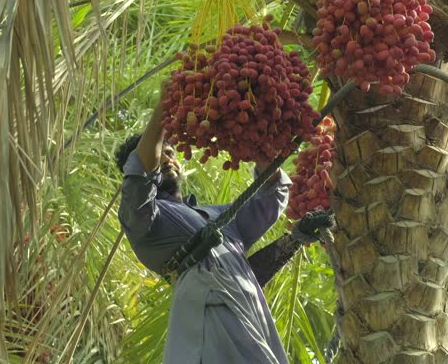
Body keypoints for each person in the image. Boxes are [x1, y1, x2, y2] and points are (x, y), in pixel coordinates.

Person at [115, 94, 331, 363]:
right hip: (210, 323)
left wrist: (257, 137)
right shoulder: (143, 221)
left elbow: (271, 195)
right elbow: (141, 173)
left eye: (172, 153)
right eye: (161, 154)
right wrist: (167, 102)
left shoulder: (217, 215)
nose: (168, 159)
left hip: (253, 321)